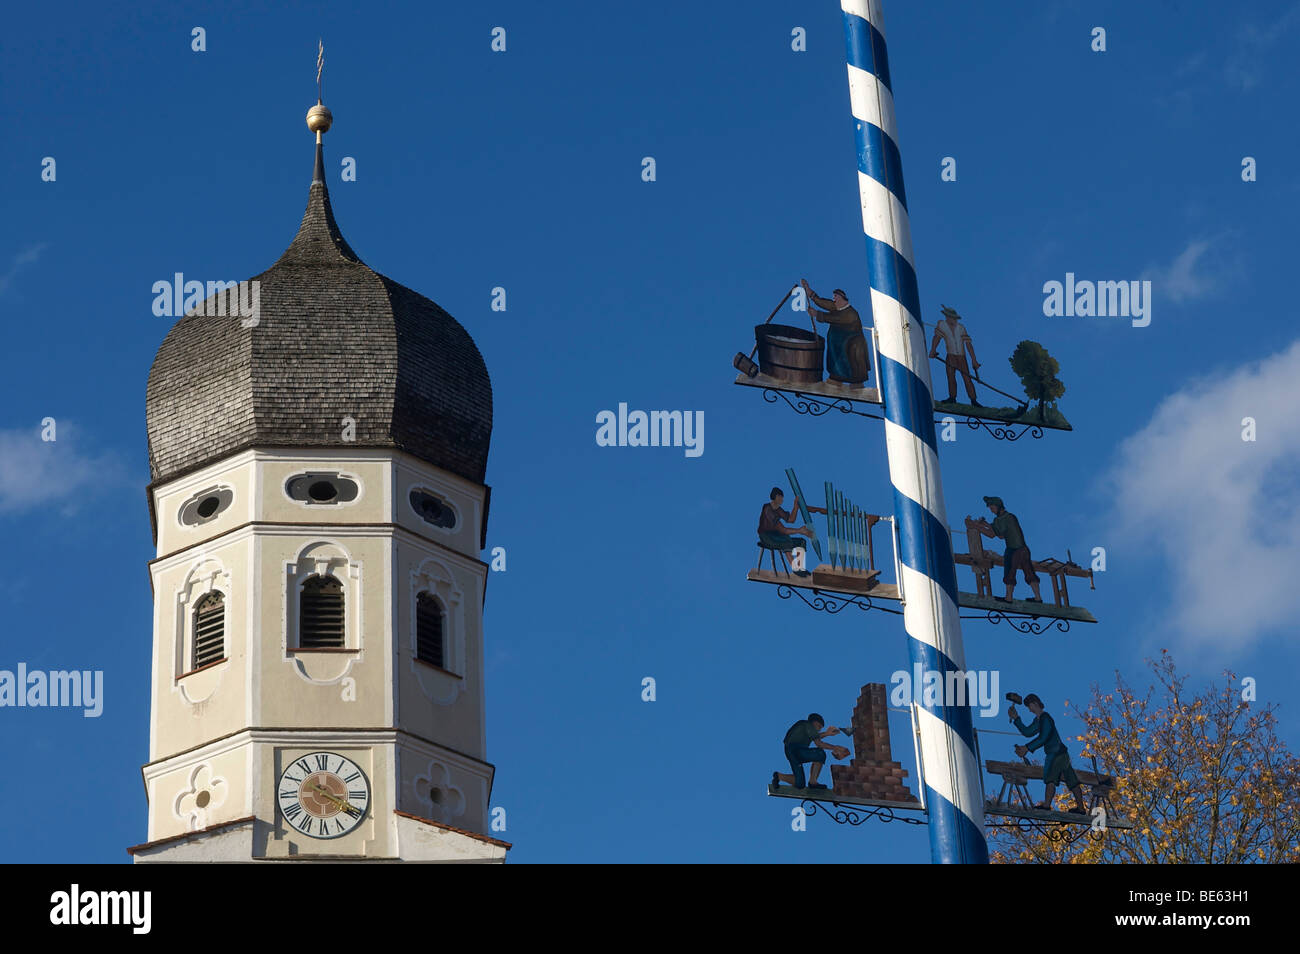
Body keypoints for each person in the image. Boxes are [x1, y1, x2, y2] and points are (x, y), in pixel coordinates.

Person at [1008, 694, 1086, 814]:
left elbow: (1043, 737)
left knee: (1050, 777)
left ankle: (1046, 805)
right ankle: (1081, 808)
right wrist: (1016, 718)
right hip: (1061, 753)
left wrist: (1027, 748)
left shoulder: (1046, 718)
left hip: (1056, 753)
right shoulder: (1039, 720)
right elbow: (1028, 732)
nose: (1029, 709)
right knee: (1071, 780)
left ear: (1035, 704)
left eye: (1029, 706)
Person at [802, 279, 870, 387]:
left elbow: (836, 318)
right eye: (833, 297)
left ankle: (856, 383)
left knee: (853, 363)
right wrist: (809, 292)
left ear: (843, 299)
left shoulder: (851, 313)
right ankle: (836, 378)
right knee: (836, 360)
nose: (834, 299)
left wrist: (817, 314)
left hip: (850, 343)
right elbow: (823, 303)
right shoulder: (836, 306)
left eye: (836, 297)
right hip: (837, 343)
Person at [974, 495, 1042, 603]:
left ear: (998, 506)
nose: (991, 511)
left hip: (1014, 550)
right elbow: (1000, 534)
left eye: (992, 508)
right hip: (1024, 549)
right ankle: (1038, 597)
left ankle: (1008, 598)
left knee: (1010, 573)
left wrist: (976, 527)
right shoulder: (1010, 516)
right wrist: (986, 524)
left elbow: (993, 534)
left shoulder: (1002, 519)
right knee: (1029, 572)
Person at [773, 713, 846, 790]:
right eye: (819, 727)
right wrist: (835, 748)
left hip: (790, 752)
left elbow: (814, 736)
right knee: (820, 754)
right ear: (814, 722)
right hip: (796, 749)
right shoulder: (808, 725)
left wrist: (827, 733)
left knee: (800, 784)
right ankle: (813, 782)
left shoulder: (803, 726)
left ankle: (779, 776)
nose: (818, 730)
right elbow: (819, 743)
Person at [758, 487, 818, 577]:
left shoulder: (778, 509)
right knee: (786, 540)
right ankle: (795, 568)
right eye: (780, 497)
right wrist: (799, 530)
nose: (782, 499)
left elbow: (791, 519)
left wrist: (795, 507)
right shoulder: (768, 509)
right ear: (776, 497)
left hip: (777, 535)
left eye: (782, 497)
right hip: (767, 536)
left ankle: (800, 567)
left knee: (801, 541)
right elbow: (783, 530)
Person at [928, 305, 981, 406]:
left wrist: (974, 360)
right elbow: (937, 338)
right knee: (951, 377)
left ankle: (973, 400)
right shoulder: (942, 325)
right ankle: (952, 397)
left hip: (961, 357)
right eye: (948, 317)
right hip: (951, 356)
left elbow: (968, 344)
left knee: (967, 378)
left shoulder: (961, 328)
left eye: (951, 317)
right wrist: (933, 350)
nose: (949, 319)